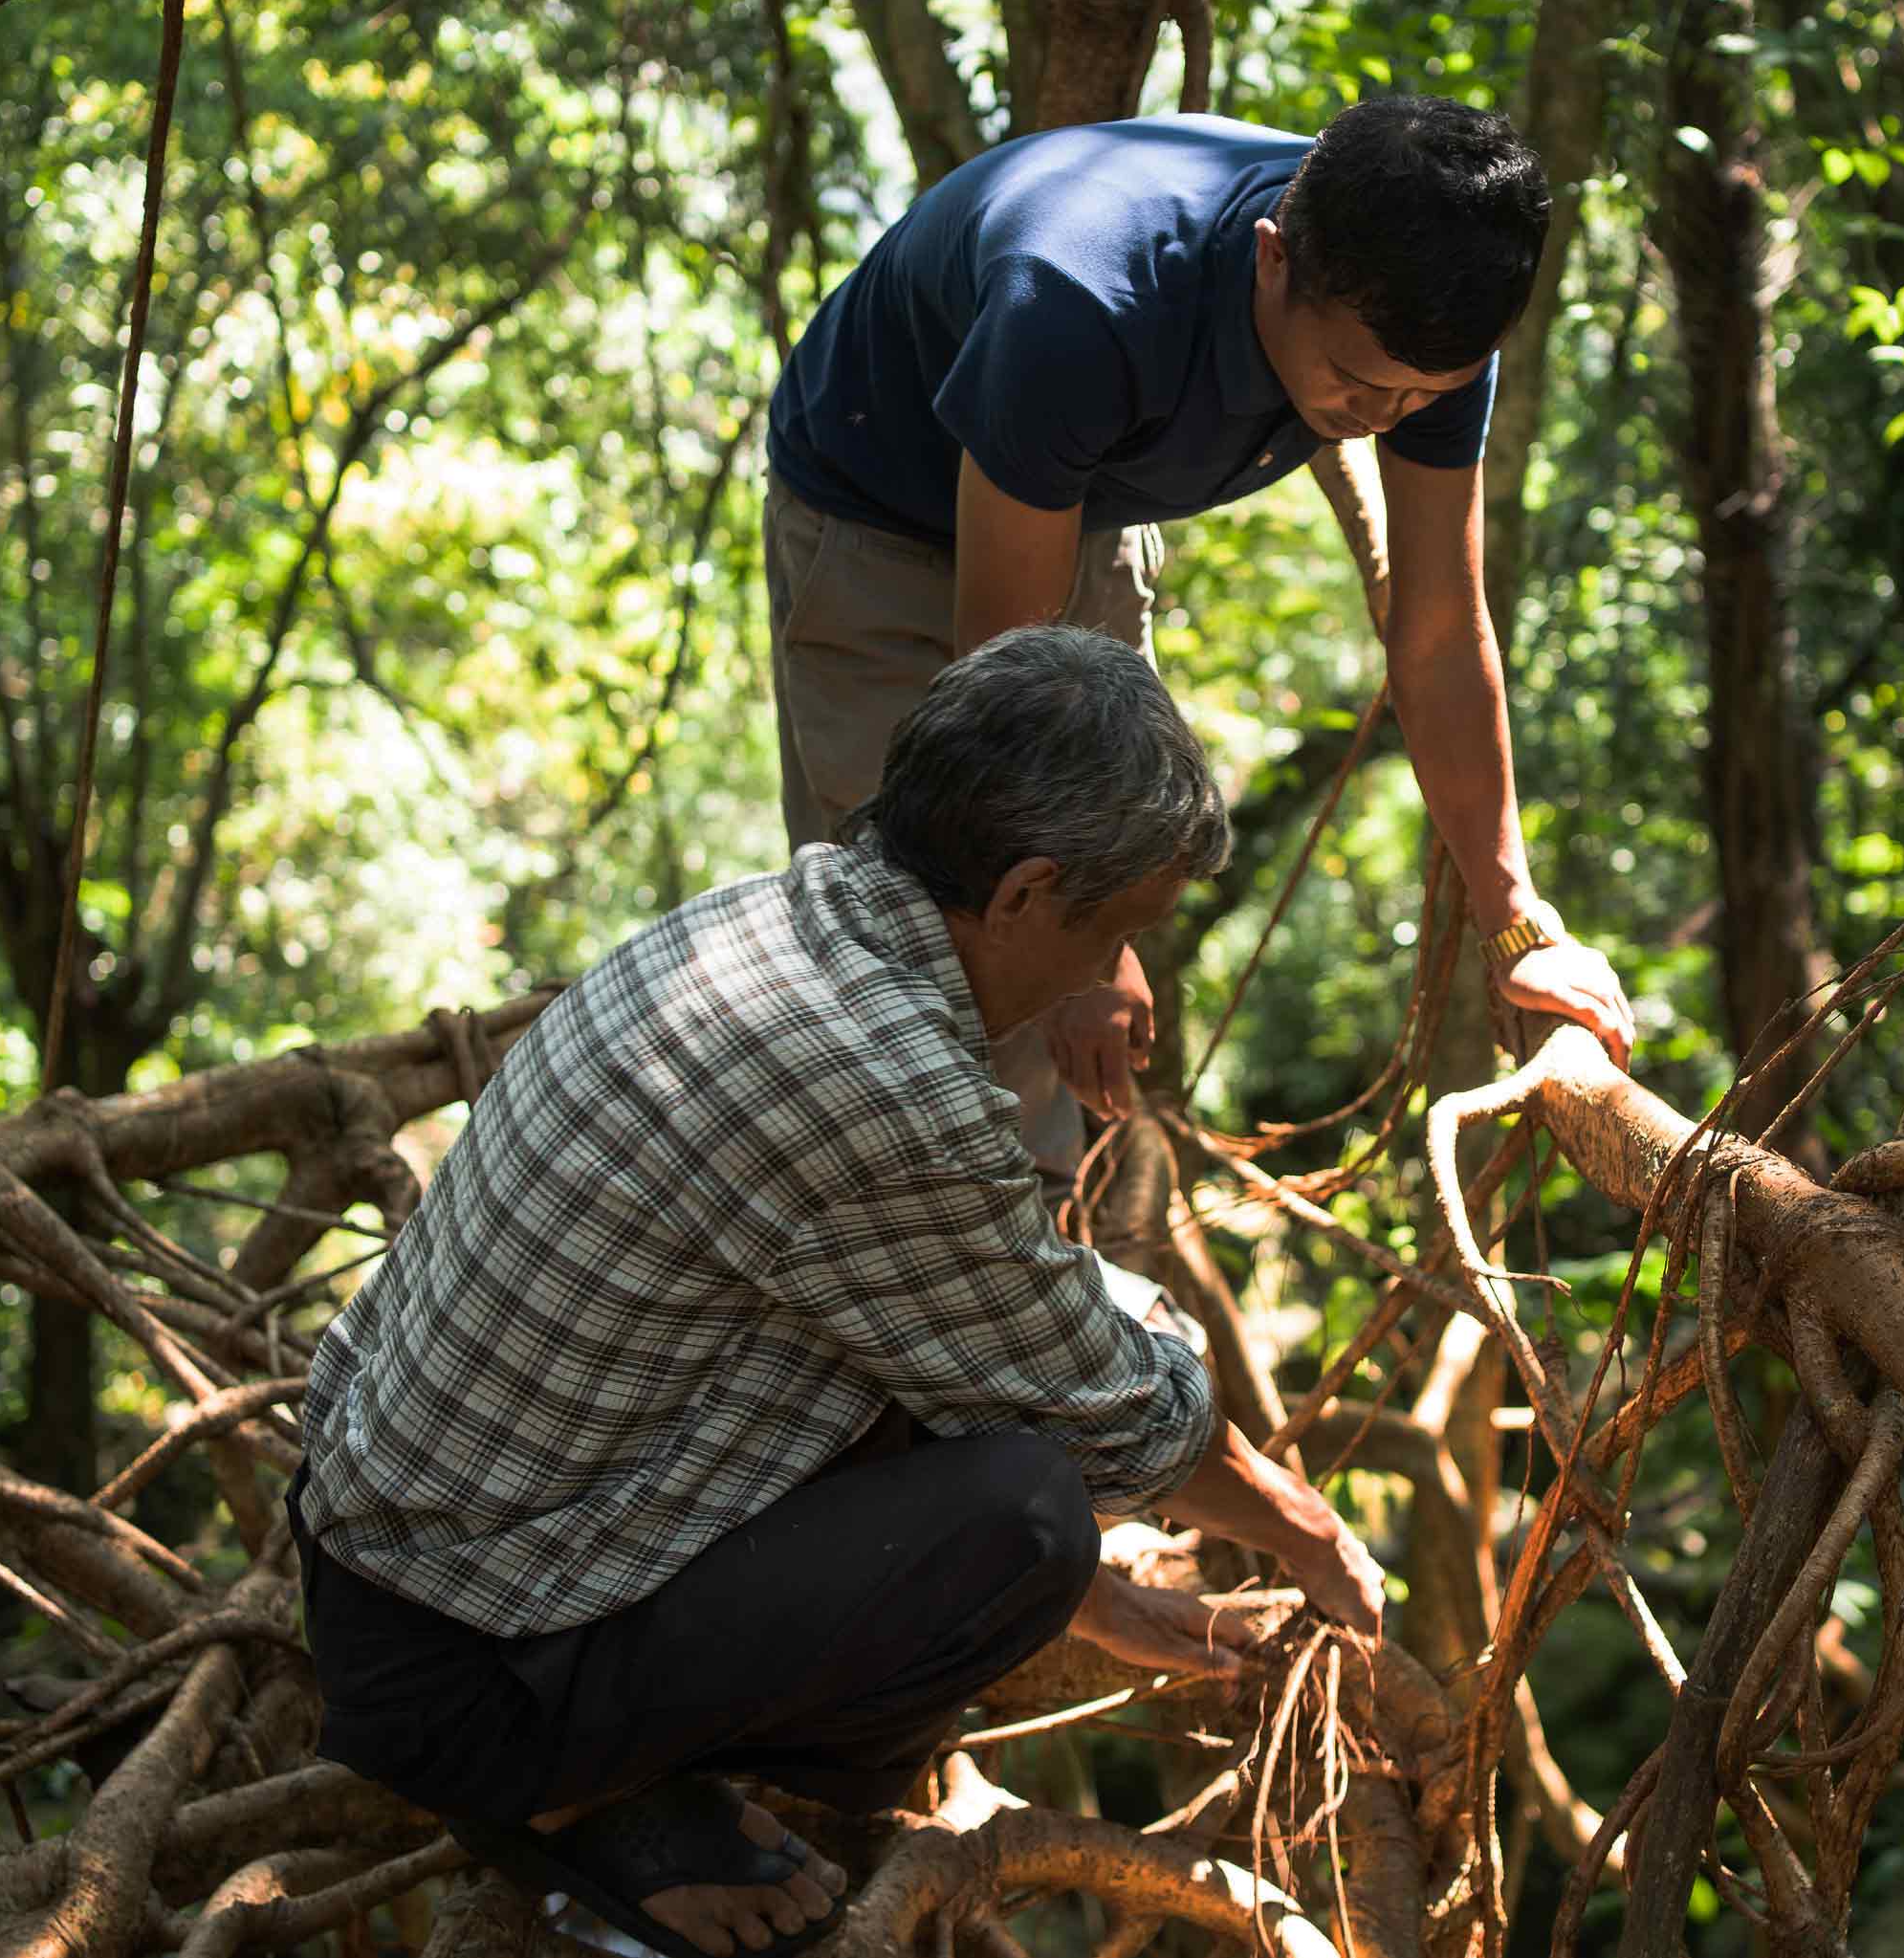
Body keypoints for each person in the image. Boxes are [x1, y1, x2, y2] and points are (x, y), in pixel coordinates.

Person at [292, 627, 1389, 1958]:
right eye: (1119, 933)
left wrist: (1114, 1569)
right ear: (1030, 891)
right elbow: (1120, 1421)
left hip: (389, 1556)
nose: (1114, 975)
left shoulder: (772, 921)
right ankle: (586, 1799)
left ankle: (612, 1740)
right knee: (1028, 1520)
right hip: (469, 1672)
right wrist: (1312, 1536)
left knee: (1031, 1408)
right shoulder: (883, 1084)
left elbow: (954, 1316)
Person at [761, 94, 1638, 1189]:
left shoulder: (1429, 328)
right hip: (879, 516)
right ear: (1273, 258)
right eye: (1360, 383)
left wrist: (1518, 919)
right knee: (935, 950)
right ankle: (951, 1288)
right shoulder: (1081, 297)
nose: (1388, 415)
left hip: (1073, 508)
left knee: (1091, 917)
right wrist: (1076, 959)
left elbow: (1437, 637)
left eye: (1426, 396)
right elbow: (1003, 709)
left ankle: (1033, 1257)